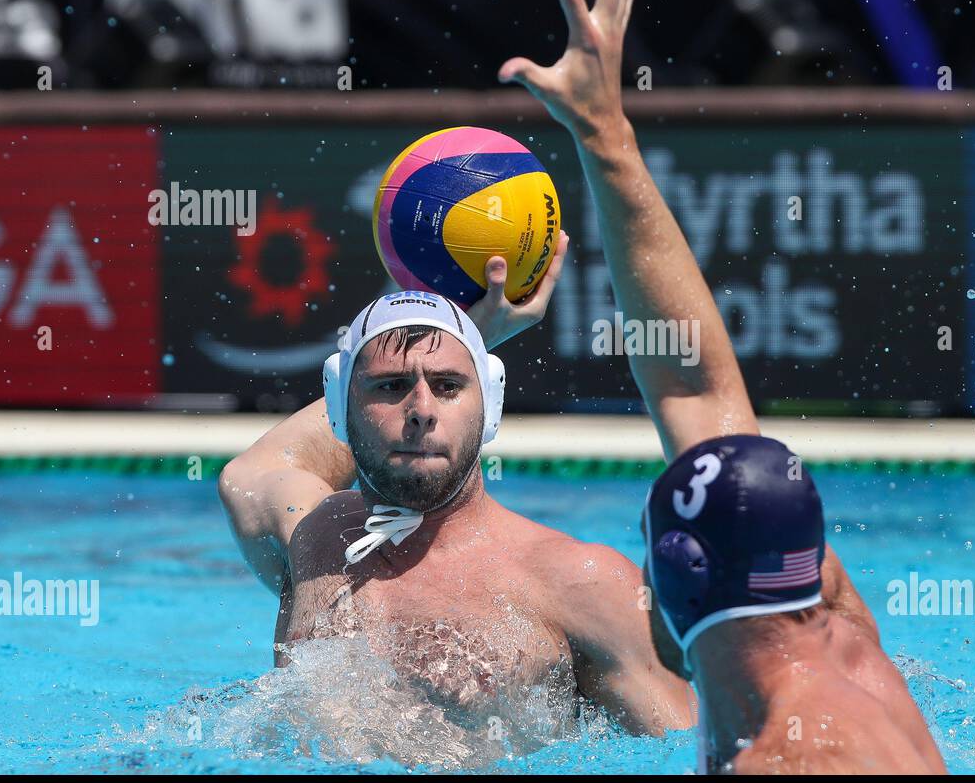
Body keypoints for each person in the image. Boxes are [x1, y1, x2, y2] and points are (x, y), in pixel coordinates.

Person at [498, 0, 947, 773]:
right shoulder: (841, 641)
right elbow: (696, 385)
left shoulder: (787, 759)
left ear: (679, 575)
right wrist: (604, 134)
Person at [218, 269, 693, 743]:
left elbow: (691, 753)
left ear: (489, 405)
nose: (422, 410)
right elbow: (249, 473)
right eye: (391, 386)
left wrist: (463, 340)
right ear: (340, 407)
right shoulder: (316, 537)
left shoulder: (584, 584)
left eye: (448, 385)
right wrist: (473, 331)